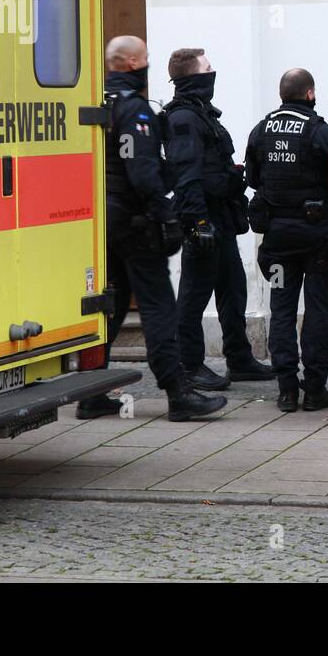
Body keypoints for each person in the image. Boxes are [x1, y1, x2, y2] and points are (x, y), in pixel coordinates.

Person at [86, 36, 226, 423]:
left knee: (111, 309)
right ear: (131, 62)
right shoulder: (135, 112)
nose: (149, 64)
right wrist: (165, 214)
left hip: (106, 220)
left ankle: (91, 393)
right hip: (135, 221)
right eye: (144, 58)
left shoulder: (101, 105)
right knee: (159, 308)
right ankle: (179, 394)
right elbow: (143, 173)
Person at [164, 48, 274, 389]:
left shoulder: (202, 114)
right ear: (193, 77)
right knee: (194, 295)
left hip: (221, 217)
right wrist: (198, 223)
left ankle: (239, 359)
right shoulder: (182, 119)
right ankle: (189, 365)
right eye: (208, 68)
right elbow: (186, 176)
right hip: (204, 220)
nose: (214, 73)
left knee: (233, 288)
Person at [245, 68, 328, 414]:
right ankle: (315, 389)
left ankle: (287, 390)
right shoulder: (323, 134)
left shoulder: (260, 132)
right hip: (318, 240)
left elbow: (252, 178)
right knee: (318, 309)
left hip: (275, 242)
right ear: (310, 94)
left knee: (281, 309)